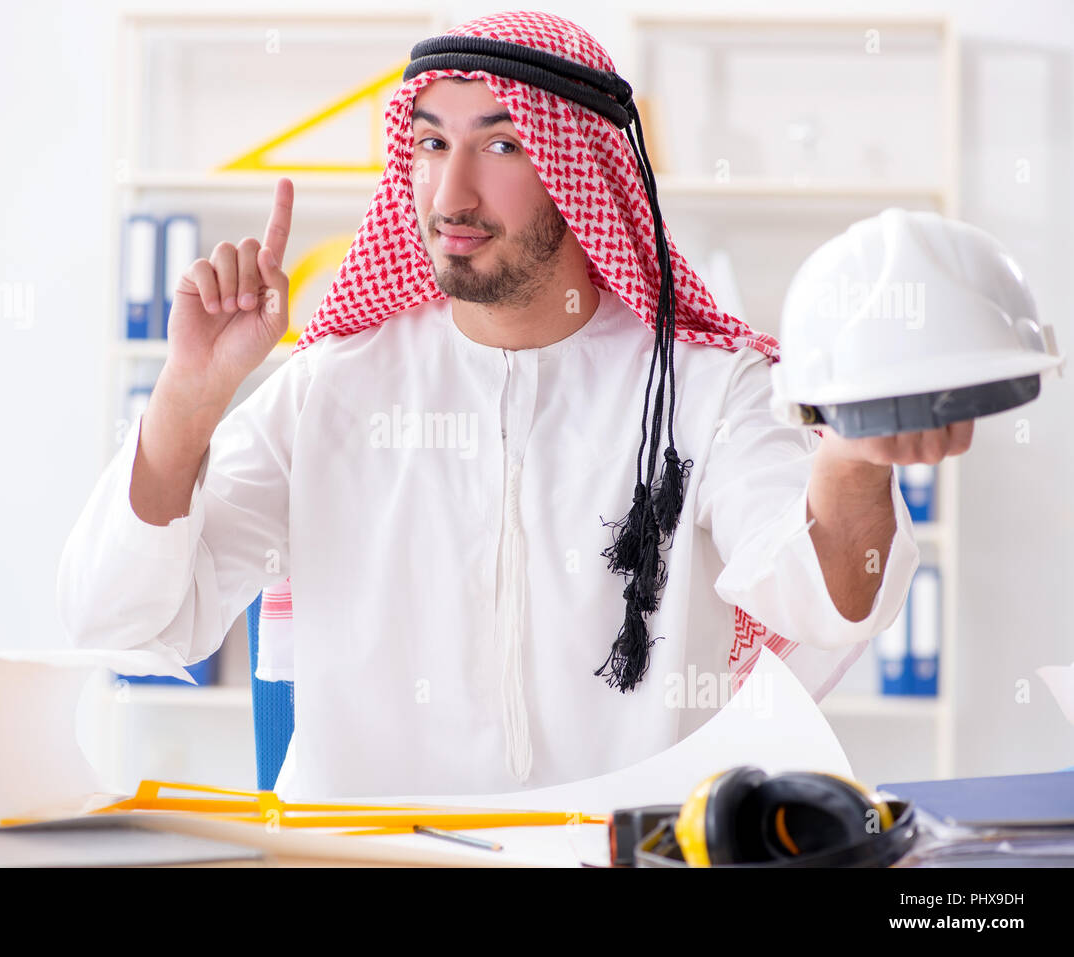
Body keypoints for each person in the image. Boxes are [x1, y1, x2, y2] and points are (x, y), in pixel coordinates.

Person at [57, 12, 967, 801]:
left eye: (501, 144)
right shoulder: (328, 386)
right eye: (430, 142)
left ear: (582, 172)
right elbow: (122, 622)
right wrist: (186, 403)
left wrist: (853, 457)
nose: (451, 194)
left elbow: (829, 600)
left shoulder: (704, 385)